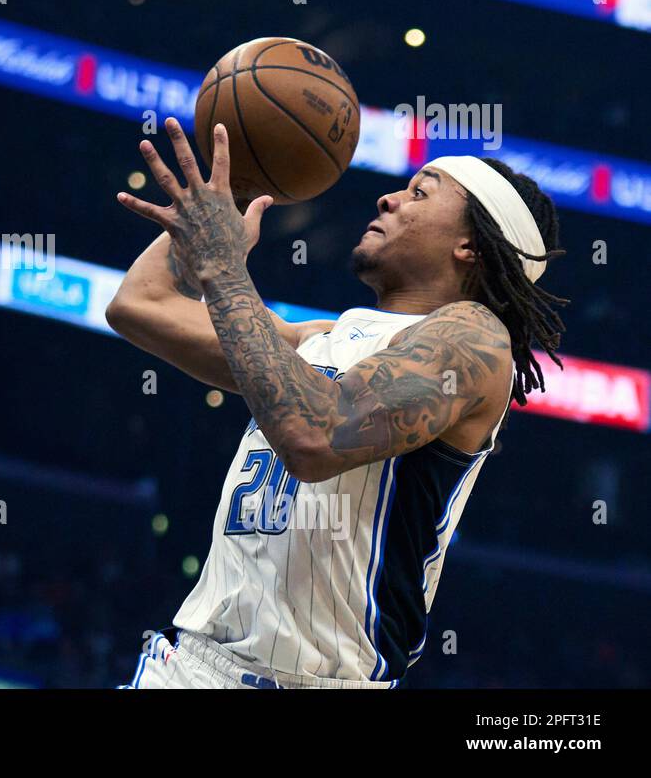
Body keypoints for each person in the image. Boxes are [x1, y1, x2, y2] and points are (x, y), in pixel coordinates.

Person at [108, 118, 567, 688]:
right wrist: (239, 187)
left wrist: (222, 267)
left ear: (469, 245)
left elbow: (315, 437)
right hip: (192, 665)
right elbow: (140, 305)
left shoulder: (475, 340)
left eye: (420, 193)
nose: (389, 197)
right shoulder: (322, 338)